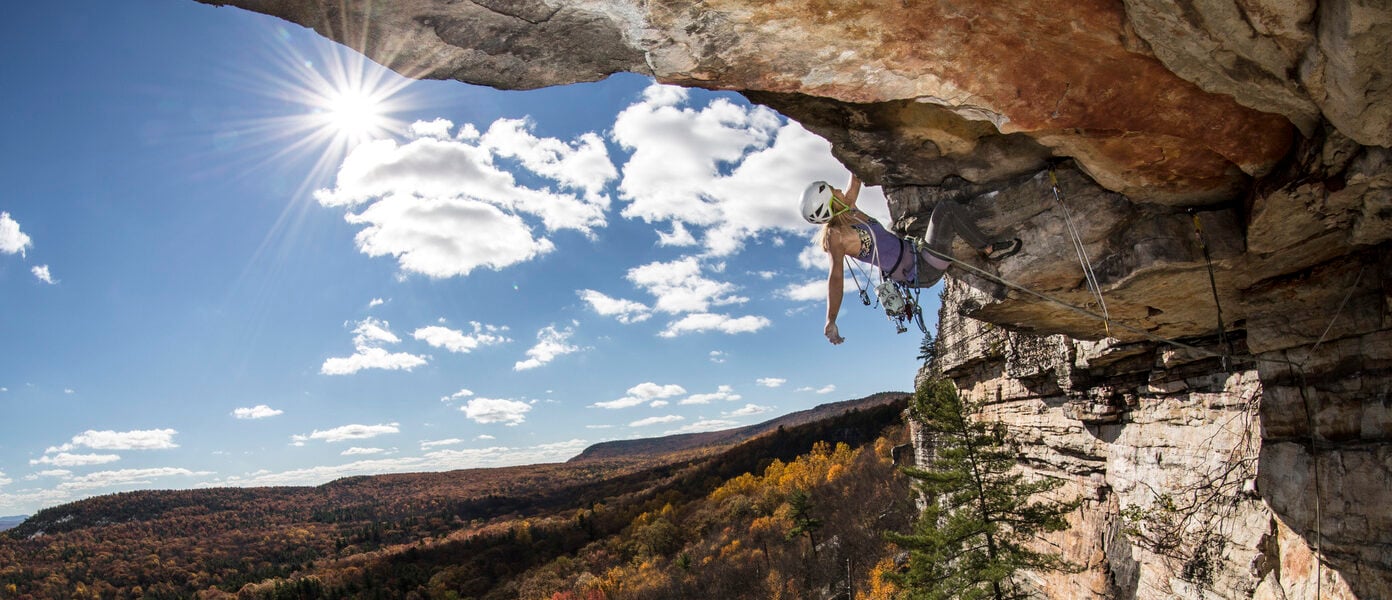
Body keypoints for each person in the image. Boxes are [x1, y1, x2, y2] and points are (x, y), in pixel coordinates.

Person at [801, 174, 1020, 345]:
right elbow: (836, 277)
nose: (838, 189)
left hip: (917, 257)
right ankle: (989, 248)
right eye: (832, 190)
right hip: (921, 269)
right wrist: (831, 319)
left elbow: (855, 178)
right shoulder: (835, 236)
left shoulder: (849, 209)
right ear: (829, 202)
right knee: (946, 210)